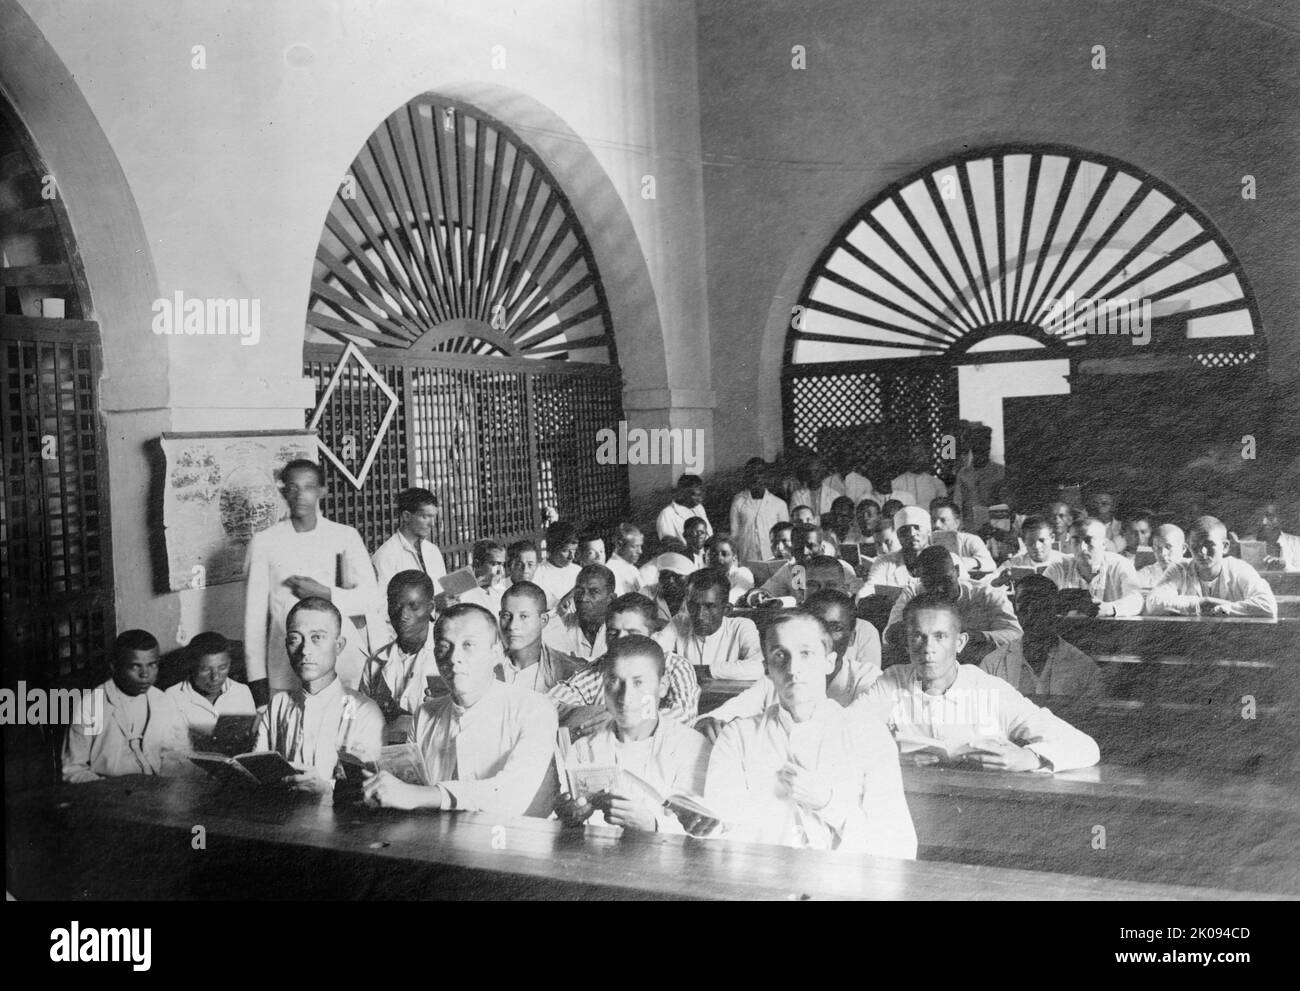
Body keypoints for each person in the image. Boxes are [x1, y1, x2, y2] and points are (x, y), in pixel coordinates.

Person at [704, 610, 917, 857]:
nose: (793, 668)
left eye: (806, 653)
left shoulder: (867, 735)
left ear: (829, 661)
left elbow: (898, 846)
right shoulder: (739, 738)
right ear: (767, 668)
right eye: (780, 655)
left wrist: (828, 804)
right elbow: (721, 837)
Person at [861, 595, 1100, 772]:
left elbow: (1085, 746)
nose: (928, 649)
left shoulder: (990, 690)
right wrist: (890, 756)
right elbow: (845, 736)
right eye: (917, 636)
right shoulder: (891, 682)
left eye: (940, 636)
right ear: (906, 642)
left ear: (960, 643)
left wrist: (1030, 757)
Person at [362, 604, 560, 817]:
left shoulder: (534, 709)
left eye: (469, 645)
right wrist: (384, 790)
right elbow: (410, 793)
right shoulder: (425, 714)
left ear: (495, 653)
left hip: (506, 844)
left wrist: (415, 795)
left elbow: (511, 795)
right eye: (444, 647)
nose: (454, 657)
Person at [243, 459, 380, 703]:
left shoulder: (344, 536)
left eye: (308, 487)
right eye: (293, 487)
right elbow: (253, 623)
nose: (300, 495)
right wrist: (258, 685)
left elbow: (371, 599)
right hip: (286, 667)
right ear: (283, 490)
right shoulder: (265, 542)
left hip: (343, 662)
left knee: (346, 734)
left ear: (321, 491)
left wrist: (325, 593)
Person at [554, 636, 712, 834]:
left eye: (638, 683)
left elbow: (703, 832)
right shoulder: (584, 747)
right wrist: (569, 815)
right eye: (614, 681)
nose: (625, 697)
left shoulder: (692, 747)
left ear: (662, 686)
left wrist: (652, 826)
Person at [696, 589, 881, 740]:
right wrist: (708, 723)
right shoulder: (780, 679)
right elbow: (730, 710)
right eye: (816, 626)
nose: (824, 637)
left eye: (836, 628)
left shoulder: (867, 678)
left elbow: (864, 731)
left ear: (852, 638)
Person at [254, 597, 384, 796]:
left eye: (317, 638)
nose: (305, 650)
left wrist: (325, 789)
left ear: (339, 645)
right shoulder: (278, 704)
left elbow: (371, 789)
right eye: (294, 639)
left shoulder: (365, 711)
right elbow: (258, 768)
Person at [549, 593, 701, 727]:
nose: (620, 640)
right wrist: (600, 713)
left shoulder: (674, 666)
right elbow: (549, 705)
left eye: (632, 633)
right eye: (613, 633)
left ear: (653, 637)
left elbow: (683, 716)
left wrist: (621, 718)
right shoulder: (600, 668)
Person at [62, 630, 188, 783]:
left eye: (152, 665)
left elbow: (178, 753)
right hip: (108, 794)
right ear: (115, 667)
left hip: (158, 790)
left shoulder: (162, 700)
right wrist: (107, 790)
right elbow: (73, 769)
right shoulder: (90, 706)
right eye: (135, 667)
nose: (145, 674)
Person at [883, 546, 1022, 659]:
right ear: (921, 580)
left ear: (957, 571)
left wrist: (977, 636)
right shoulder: (913, 593)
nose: (939, 589)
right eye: (930, 584)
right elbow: (888, 636)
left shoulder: (986, 595)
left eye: (946, 580)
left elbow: (1015, 635)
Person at [980, 576, 1102, 696]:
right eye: (1025, 601)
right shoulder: (992, 665)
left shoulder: (1086, 669)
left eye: (1042, 602)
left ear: (1055, 607)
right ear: (1015, 609)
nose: (1033, 610)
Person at [1147, 516, 1278, 617]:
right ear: (1188, 546)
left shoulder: (1239, 569)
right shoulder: (1180, 569)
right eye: (1195, 546)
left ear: (1225, 546)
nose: (1202, 552)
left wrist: (1224, 607)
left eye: (1209, 545)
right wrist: (1203, 602)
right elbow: (1153, 603)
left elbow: (1268, 605)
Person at [360, 571, 439, 733]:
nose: (403, 615)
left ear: (430, 608)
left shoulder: (448, 656)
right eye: (396, 606)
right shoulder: (375, 661)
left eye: (413, 606)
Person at [656, 568, 764, 680]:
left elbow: (760, 667)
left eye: (709, 607)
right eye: (693, 606)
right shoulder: (679, 622)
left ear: (726, 609)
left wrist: (704, 670)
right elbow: (652, 655)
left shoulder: (741, 627)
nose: (700, 615)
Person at [164, 631, 256, 747]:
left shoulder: (241, 692)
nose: (215, 677)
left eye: (222, 668)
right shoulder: (172, 697)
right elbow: (173, 750)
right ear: (192, 666)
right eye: (206, 670)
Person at [499, 581, 588, 692]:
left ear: (543, 620)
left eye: (524, 616)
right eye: (506, 616)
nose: (512, 626)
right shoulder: (486, 664)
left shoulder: (569, 671)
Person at [1043, 518, 1143, 616]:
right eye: (1076, 541)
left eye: (1088, 540)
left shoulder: (1120, 565)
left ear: (1104, 544)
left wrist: (1110, 609)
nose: (1082, 548)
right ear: (1069, 544)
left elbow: (1136, 600)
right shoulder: (1057, 569)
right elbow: (1040, 603)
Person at [747, 528, 855, 605]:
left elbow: (857, 594)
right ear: (792, 549)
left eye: (810, 546)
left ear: (822, 547)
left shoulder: (842, 567)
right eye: (799, 546)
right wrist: (757, 595)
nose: (805, 551)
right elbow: (767, 590)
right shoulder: (792, 569)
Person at [372, 487, 447, 597]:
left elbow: (442, 590)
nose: (432, 524)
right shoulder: (385, 556)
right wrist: (434, 604)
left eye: (433, 517)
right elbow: (382, 604)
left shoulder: (432, 550)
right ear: (406, 516)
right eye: (425, 517)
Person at [542, 564, 614, 659]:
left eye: (594, 592)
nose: (583, 598)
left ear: (611, 599)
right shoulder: (558, 628)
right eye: (579, 591)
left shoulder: (620, 633)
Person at [728, 458, 790, 564]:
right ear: (746, 476)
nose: (756, 477)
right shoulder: (738, 501)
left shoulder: (779, 504)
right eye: (751, 473)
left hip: (772, 558)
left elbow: (786, 536)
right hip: (747, 558)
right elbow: (734, 534)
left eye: (760, 473)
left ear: (766, 476)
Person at [866, 506, 933, 589]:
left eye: (917, 527)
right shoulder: (884, 562)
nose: (912, 533)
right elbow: (868, 591)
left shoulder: (949, 558)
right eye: (905, 530)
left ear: (928, 531)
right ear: (898, 536)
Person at [987, 515, 1063, 587]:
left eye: (1042, 540)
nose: (1036, 546)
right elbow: (984, 583)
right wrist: (998, 581)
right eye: (1030, 541)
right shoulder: (1014, 563)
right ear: (1023, 541)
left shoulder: (1065, 561)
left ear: (1052, 538)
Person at [929, 498, 995, 573]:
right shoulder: (927, 542)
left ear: (956, 523)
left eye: (943, 520)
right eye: (934, 520)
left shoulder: (970, 540)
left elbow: (990, 564)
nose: (936, 525)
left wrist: (970, 562)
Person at [531, 521, 582, 610]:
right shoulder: (538, 574)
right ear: (552, 548)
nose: (572, 557)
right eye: (565, 551)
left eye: (574, 550)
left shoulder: (578, 571)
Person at [954, 440, 1004, 523]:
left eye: (983, 451)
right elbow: (958, 501)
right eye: (976, 451)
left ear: (988, 450)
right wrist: (959, 523)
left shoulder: (999, 471)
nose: (980, 455)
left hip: (993, 523)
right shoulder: (963, 473)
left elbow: (1005, 502)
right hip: (969, 523)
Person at [891, 441, 947, 510]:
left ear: (925, 458)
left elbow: (943, 509)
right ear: (908, 457)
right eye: (914, 455)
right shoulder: (896, 483)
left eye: (920, 455)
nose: (917, 459)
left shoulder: (937, 483)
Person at [657, 473, 712, 543]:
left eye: (701, 495)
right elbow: (669, 545)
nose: (700, 499)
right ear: (682, 493)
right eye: (696, 495)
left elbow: (709, 534)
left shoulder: (699, 508)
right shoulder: (667, 514)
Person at [458, 539, 508, 615]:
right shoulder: (462, 593)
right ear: (477, 564)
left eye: (502, 564)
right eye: (494, 564)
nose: (500, 571)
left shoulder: (500, 588)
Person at [705, 532, 755, 603]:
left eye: (724, 554)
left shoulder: (742, 573)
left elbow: (733, 598)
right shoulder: (700, 577)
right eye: (713, 554)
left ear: (734, 557)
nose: (719, 559)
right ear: (705, 557)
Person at [1254, 501, 1300, 571]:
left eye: (1270, 516)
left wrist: (1285, 566)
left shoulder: (1296, 543)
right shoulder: (1243, 543)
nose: (1264, 521)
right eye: (1259, 517)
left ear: (1280, 518)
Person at [1138, 523, 1186, 589]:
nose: (1162, 553)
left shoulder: (1196, 572)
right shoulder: (1146, 574)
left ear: (1183, 548)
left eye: (1168, 547)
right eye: (1157, 547)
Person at [606, 523, 646, 594]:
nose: (640, 551)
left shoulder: (633, 569)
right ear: (619, 545)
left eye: (640, 546)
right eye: (634, 546)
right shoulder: (611, 571)